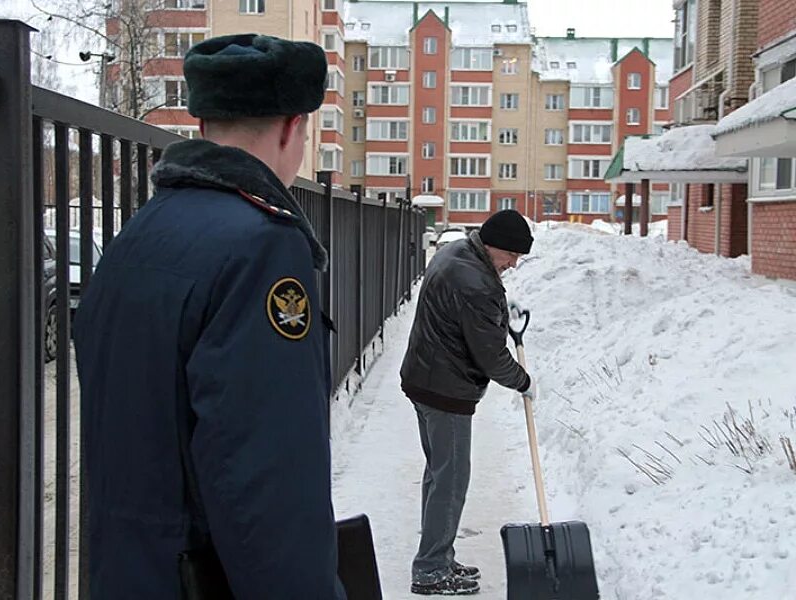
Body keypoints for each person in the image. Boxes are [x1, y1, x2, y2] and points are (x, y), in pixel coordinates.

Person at [73, 34, 346, 599]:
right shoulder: (263, 247)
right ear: (293, 128)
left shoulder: (140, 235)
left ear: (203, 125)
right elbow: (268, 483)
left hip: (128, 573)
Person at [400, 210, 536, 595]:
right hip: (446, 391)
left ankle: (438, 557)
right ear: (492, 246)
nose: (513, 264)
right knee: (451, 480)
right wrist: (523, 381)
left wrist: (496, 313)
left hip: (423, 379)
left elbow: (469, 317)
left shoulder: (458, 251)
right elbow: (491, 358)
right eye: (511, 255)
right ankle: (429, 570)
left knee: (439, 474)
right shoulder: (477, 283)